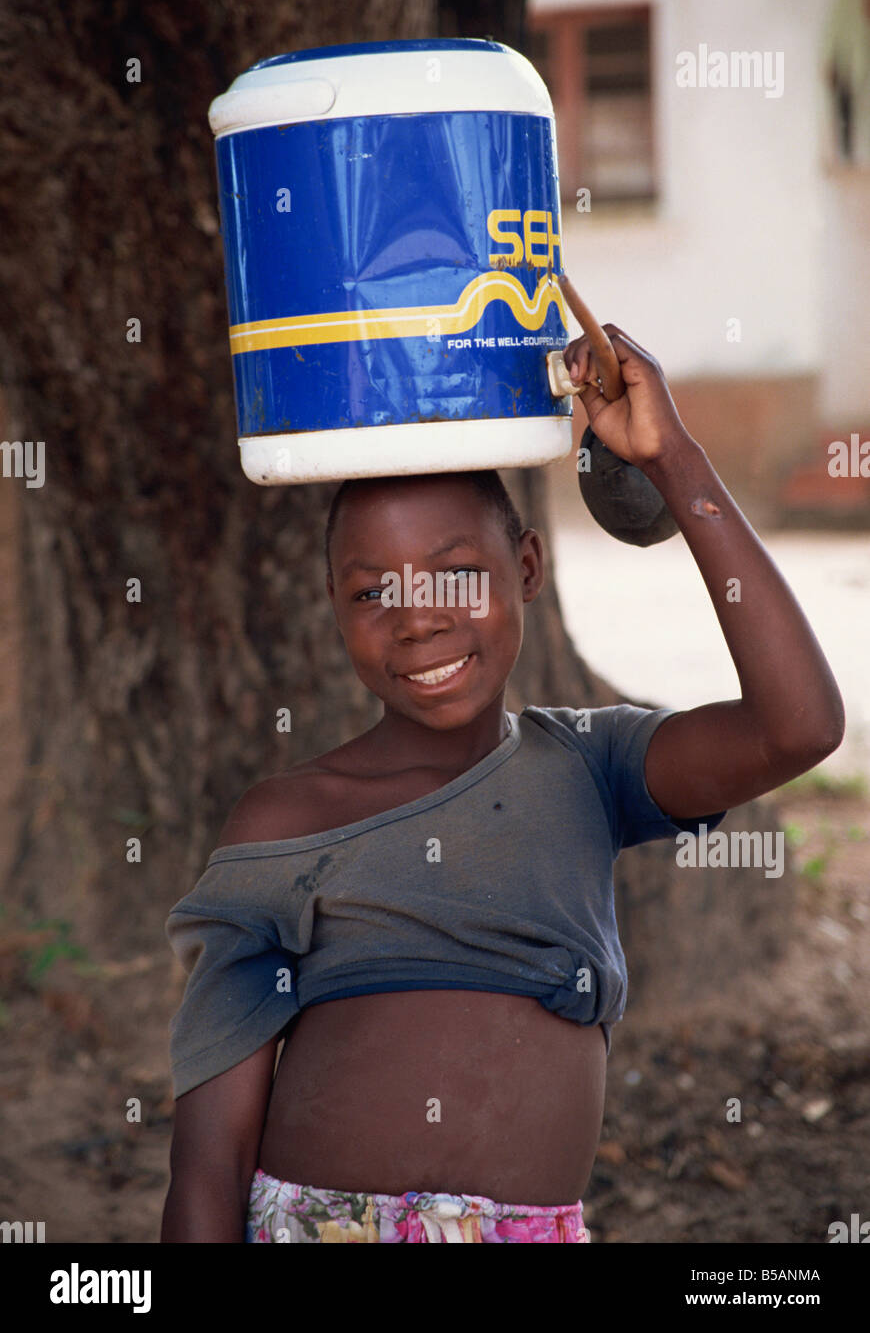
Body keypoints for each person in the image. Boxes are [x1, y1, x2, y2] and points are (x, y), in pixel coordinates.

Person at [160, 323, 844, 1243]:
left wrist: (675, 462)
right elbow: (206, 1170)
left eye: (455, 577)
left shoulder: (590, 769)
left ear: (527, 570)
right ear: (334, 610)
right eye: (373, 594)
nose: (417, 624)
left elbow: (798, 725)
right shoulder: (287, 822)